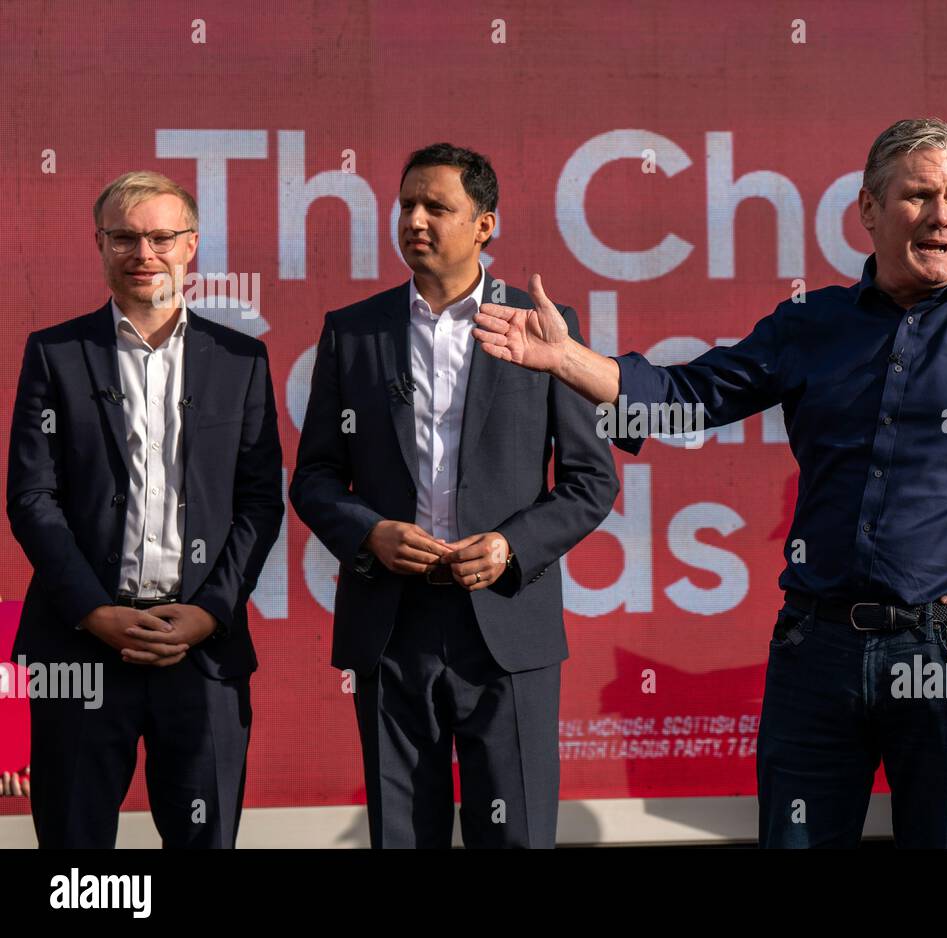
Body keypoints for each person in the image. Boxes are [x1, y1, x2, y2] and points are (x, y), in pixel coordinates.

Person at [472, 117, 947, 848]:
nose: (943, 217)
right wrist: (571, 363)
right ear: (868, 209)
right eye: (920, 196)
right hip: (816, 652)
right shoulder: (811, 325)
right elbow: (686, 398)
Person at [290, 144, 618, 849]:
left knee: (518, 834)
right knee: (403, 836)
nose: (415, 219)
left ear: (485, 226)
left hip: (507, 626)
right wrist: (370, 532)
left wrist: (510, 545)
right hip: (392, 624)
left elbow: (593, 482)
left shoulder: (543, 327)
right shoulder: (355, 333)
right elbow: (313, 477)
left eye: (437, 206)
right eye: (406, 204)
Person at [7, 171, 283, 847]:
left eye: (162, 237)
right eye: (124, 237)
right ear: (100, 245)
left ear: (191, 247)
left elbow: (258, 503)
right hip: (79, 647)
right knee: (74, 860)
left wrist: (208, 611)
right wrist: (95, 612)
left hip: (203, 652)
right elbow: (31, 495)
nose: (144, 252)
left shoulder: (240, 360)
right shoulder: (56, 354)